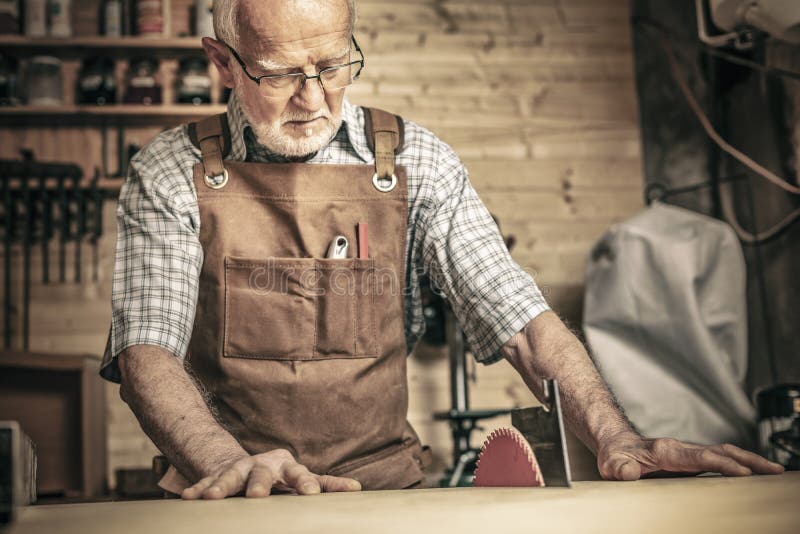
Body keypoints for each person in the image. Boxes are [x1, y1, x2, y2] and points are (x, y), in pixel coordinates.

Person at [101, 0, 784, 499]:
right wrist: (226, 464)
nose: (314, 98)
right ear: (222, 61)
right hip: (226, 497)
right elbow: (146, 353)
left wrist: (616, 437)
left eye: (333, 65)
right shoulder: (172, 171)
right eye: (280, 74)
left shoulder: (414, 161)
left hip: (382, 497)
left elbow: (519, 321)